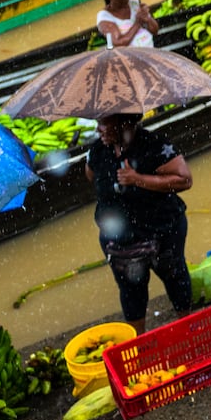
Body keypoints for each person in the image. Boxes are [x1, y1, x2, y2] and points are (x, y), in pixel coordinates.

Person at [84, 113, 194, 334]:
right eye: (98, 124)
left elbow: (184, 179)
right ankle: (138, 344)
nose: (99, 130)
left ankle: (188, 329)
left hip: (162, 231)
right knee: (131, 290)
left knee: (175, 278)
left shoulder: (154, 145)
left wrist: (138, 179)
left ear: (124, 122)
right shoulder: (97, 151)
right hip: (120, 240)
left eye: (104, 124)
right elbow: (91, 176)